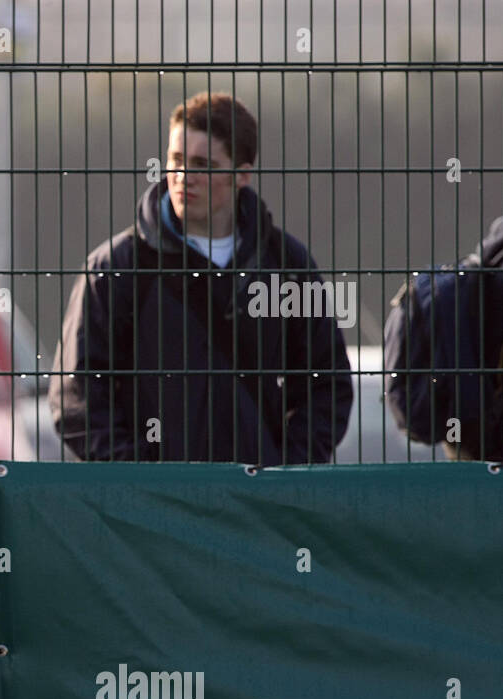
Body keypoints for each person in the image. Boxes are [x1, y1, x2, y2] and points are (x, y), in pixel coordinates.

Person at [49, 91, 354, 463]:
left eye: (202, 164)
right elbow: (77, 396)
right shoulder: (116, 268)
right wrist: (137, 477)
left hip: (258, 504)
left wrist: (284, 471)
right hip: (154, 507)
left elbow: (326, 383)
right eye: (176, 160)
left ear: (241, 173)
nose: (183, 177)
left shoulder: (287, 266)